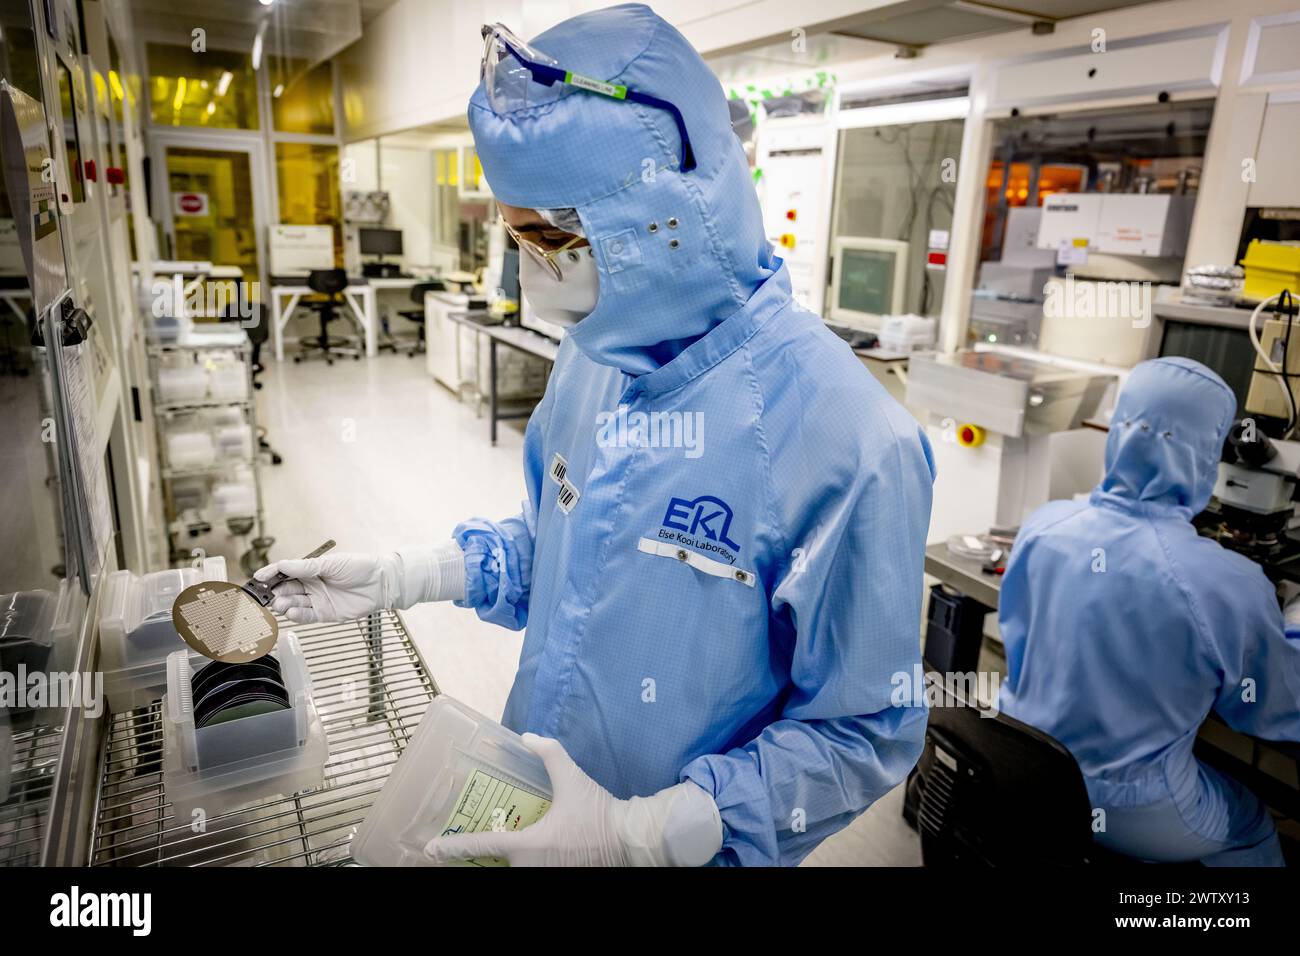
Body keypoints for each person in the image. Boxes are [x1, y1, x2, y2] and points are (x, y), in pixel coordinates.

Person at [256, 3, 935, 866]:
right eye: (516, 236)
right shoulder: (595, 358)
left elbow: (863, 730)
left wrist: (639, 836)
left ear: (668, 215)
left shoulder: (848, 438)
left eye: (557, 238)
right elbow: (564, 555)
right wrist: (408, 574)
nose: (536, 271)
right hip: (522, 802)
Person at [997, 357, 1300, 866]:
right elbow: (1273, 708)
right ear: (1205, 456)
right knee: (1252, 819)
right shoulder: (1225, 583)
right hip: (1130, 807)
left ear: (1118, 432)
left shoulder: (1044, 526)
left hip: (1026, 765)